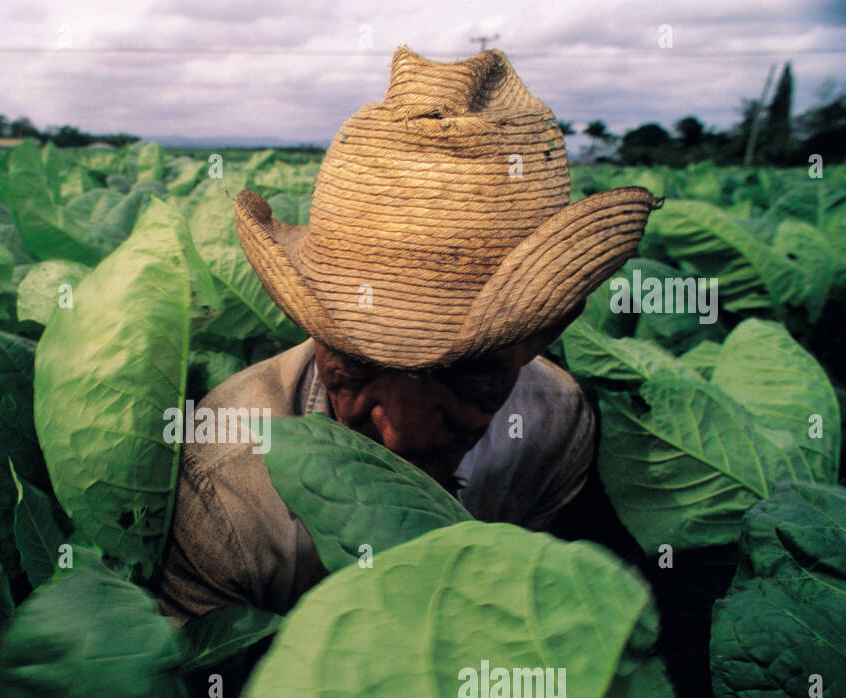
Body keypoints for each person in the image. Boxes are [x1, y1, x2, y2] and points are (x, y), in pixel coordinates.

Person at [156, 45, 657, 623]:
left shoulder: (557, 424)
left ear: (543, 335)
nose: (403, 435)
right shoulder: (226, 485)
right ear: (313, 328)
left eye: (464, 372)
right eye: (360, 362)